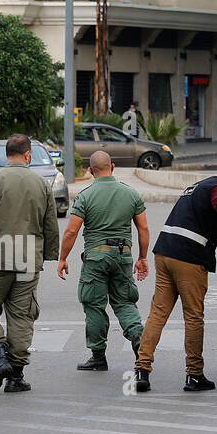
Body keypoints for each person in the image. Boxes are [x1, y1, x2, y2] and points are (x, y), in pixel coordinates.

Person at [134, 154, 217, 393]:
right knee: (193, 316)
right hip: (188, 258)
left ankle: (141, 369)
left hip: (164, 253)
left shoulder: (200, 186)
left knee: (158, 313)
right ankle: (194, 374)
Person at [0, 134, 60, 393]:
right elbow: (50, 223)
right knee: (22, 315)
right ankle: (16, 376)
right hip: (28, 260)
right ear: (28, 155)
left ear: (6, 155)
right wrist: (49, 254)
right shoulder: (41, 183)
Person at [57, 150, 149, 371]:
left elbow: (71, 231)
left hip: (96, 257)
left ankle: (98, 357)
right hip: (123, 255)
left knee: (94, 306)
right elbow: (143, 228)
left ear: (90, 171)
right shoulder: (131, 194)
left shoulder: (85, 196)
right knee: (125, 302)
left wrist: (63, 258)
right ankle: (138, 338)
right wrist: (142, 258)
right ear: (113, 167)